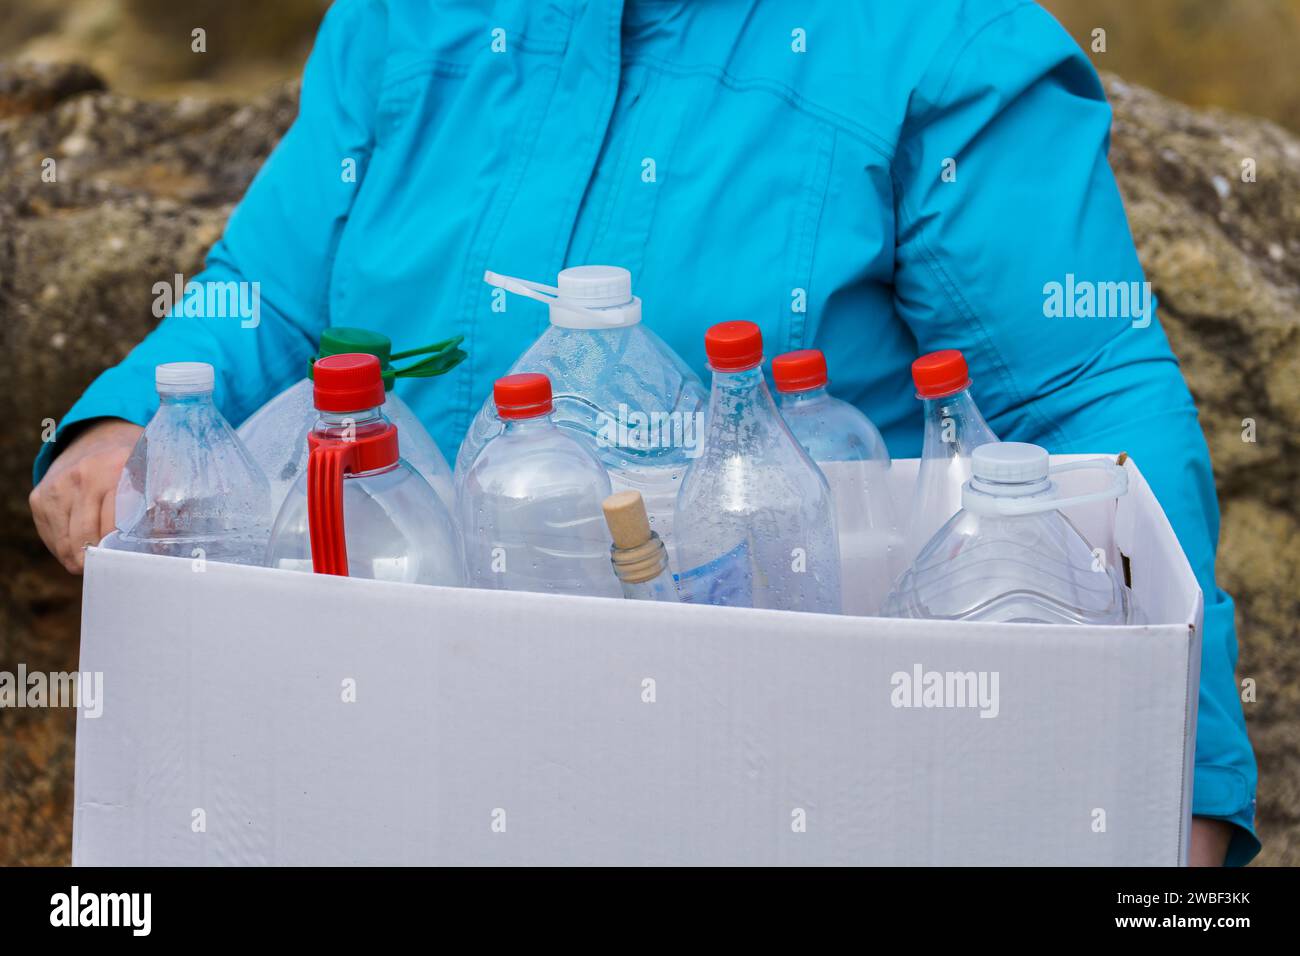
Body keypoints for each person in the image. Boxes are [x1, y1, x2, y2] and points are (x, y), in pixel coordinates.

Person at [27, 0, 1257, 864]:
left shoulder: (940, 43)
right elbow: (271, 293)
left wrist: (1168, 790)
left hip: (770, 781)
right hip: (391, 750)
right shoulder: (402, 23)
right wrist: (131, 417)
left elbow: (1093, 406)